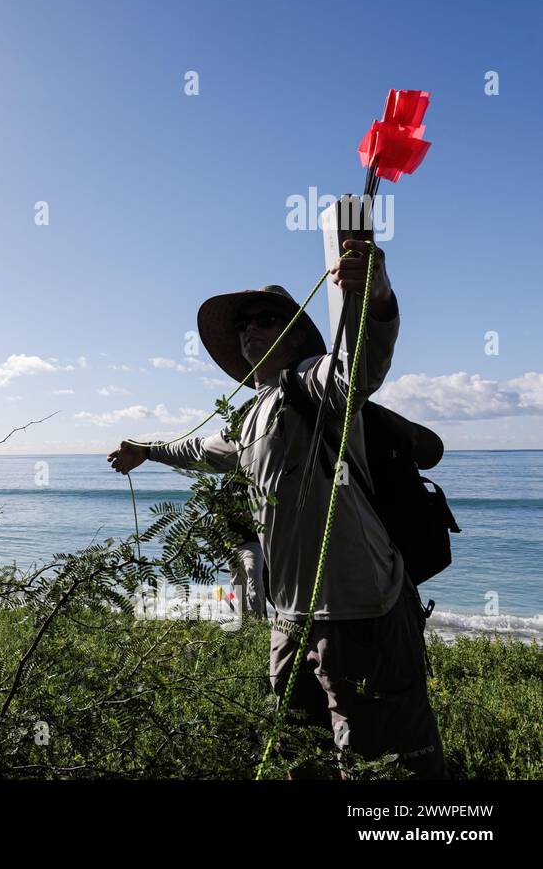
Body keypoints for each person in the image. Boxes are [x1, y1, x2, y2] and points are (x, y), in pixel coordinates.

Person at [108, 240, 447, 779]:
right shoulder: (249, 416)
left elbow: (359, 369)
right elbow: (199, 451)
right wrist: (145, 450)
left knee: (380, 759)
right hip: (289, 617)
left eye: (265, 319)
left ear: (292, 334)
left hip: (360, 610)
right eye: (244, 325)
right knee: (299, 749)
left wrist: (374, 297)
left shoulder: (315, 379)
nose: (250, 330)